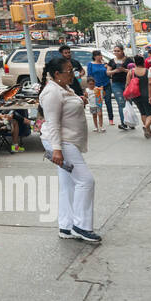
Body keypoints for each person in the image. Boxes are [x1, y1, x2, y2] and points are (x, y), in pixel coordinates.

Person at [40, 56, 100, 243]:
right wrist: (57, 150)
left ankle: (66, 226)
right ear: (57, 74)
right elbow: (52, 124)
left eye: (72, 70)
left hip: (68, 141)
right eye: (68, 71)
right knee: (86, 181)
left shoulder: (64, 88)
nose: (72, 74)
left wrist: (79, 100)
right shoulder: (52, 93)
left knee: (68, 185)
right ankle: (81, 226)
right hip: (63, 143)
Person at [106, 45, 135, 131]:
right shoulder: (111, 61)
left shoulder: (129, 60)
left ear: (122, 51)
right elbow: (108, 72)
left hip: (128, 83)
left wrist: (124, 70)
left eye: (118, 51)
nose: (116, 52)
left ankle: (131, 122)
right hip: (116, 84)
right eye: (114, 51)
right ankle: (124, 123)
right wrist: (115, 71)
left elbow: (134, 71)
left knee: (129, 102)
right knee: (121, 103)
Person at [130, 55, 151, 138]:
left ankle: (149, 132)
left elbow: (127, 84)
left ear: (135, 63)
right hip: (146, 94)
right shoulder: (148, 71)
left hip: (135, 95)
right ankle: (146, 126)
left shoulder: (131, 72)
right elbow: (150, 84)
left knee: (143, 113)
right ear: (143, 62)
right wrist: (150, 96)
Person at [86, 50, 113, 126]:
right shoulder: (90, 64)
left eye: (101, 55)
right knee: (98, 104)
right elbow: (89, 76)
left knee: (108, 101)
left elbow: (109, 74)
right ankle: (99, 120)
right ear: (94, 56)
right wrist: (91, 86)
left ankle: (111, 119)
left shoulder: (105, 64)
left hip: (106, 84)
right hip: (97, 86)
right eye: (99, 55)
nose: (100, 57)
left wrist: (108, 67)